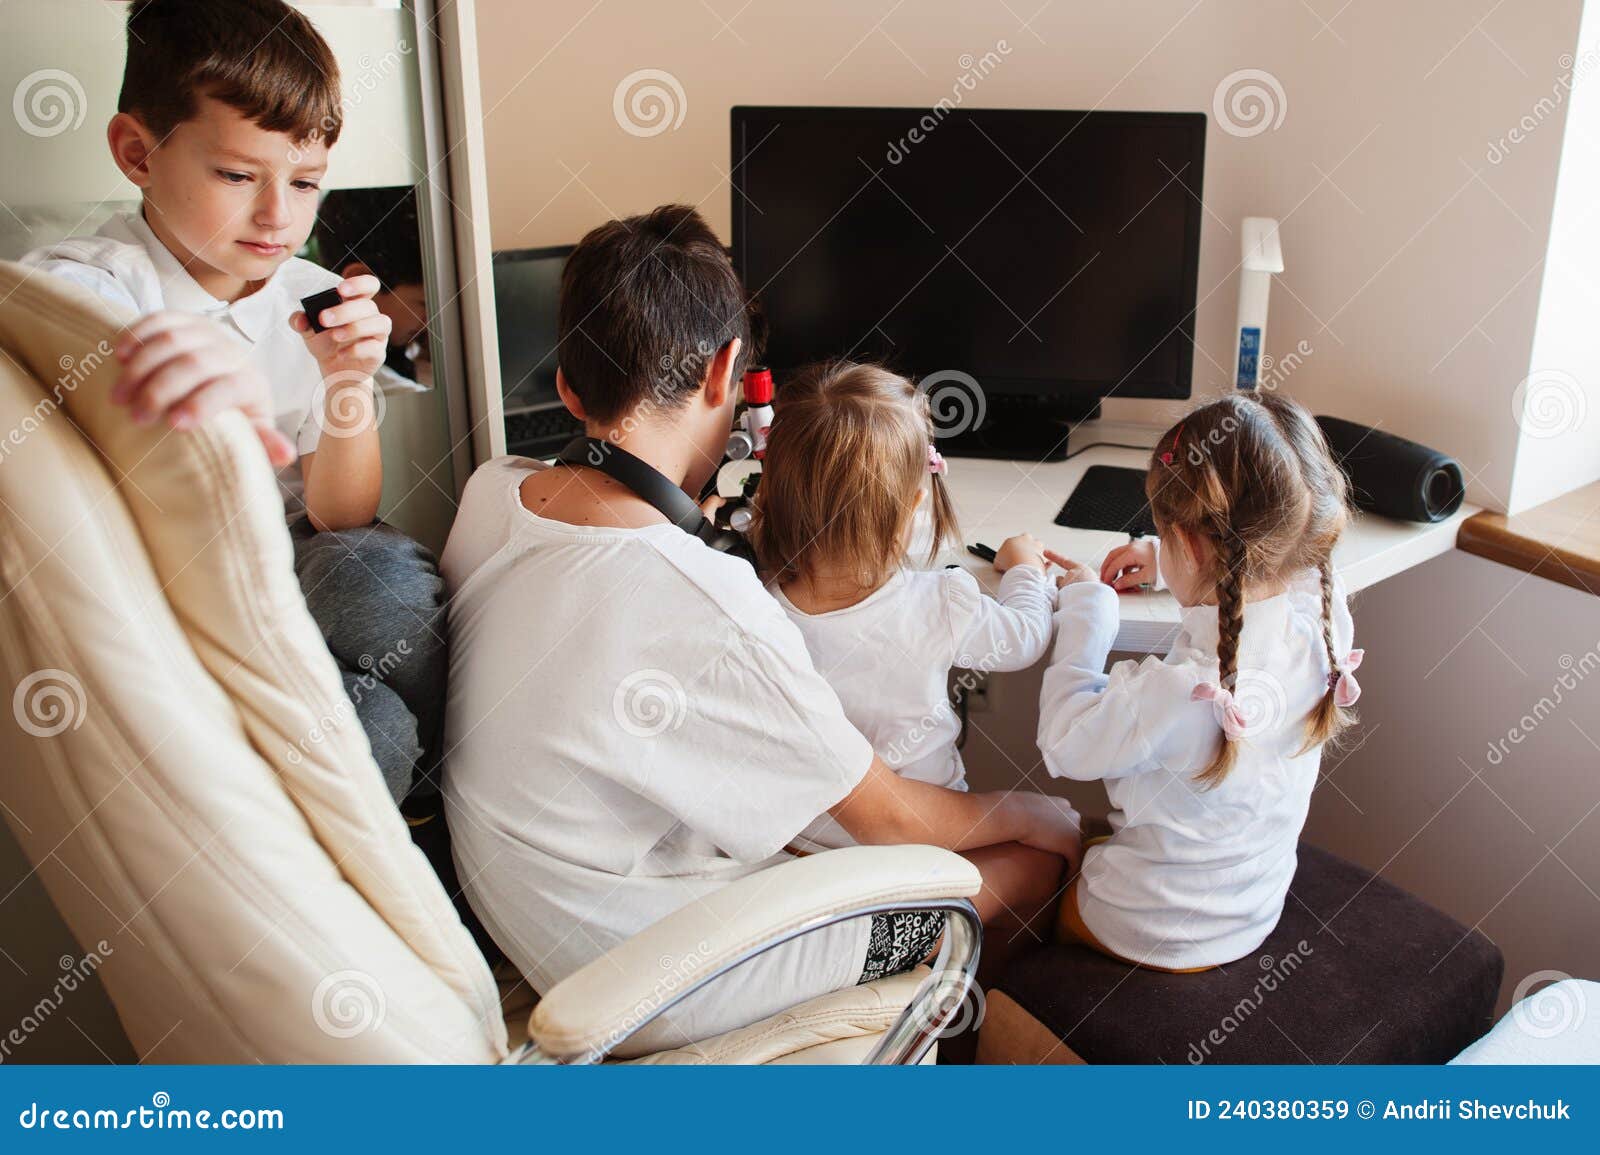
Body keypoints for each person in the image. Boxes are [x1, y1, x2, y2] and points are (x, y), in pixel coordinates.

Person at [440, 204, 1081, 1054]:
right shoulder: (703, 597)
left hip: (532, 911)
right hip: (659, 968)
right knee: (1034, 864)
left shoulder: (492, 492)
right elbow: (895, 823)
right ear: (726, 373)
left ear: (566, 384)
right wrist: (1044, 817)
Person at [21, 0, 443, 804]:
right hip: (176, 584)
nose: (277, 216)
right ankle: (398, 801)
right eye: (238, 175)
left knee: (383, 582)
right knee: (378, 731)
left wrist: (346, 381)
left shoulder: (314, 292)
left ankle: (423, 793)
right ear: (137, 153)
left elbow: (341, 516)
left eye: (307, 182)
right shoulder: (83, 289)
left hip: (295, 566)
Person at [1037, 393, 1359, 972]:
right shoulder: (1323, 627)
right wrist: (1163, 558)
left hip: (1144, 927)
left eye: (1167, 533)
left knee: (1033, 873)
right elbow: (1287, 561)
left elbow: (1064, 744)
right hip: (1249, 915)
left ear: (1190, 541)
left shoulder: (1179, 693)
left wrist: (1087, 613)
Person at [748, 360, 1057, 853]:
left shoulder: (753, 601)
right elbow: (1024, 639)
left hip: (803, 844)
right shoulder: (938, 602)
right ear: (911, 511)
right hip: (920, 841)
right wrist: (1026, 570)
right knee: (1056, 843)